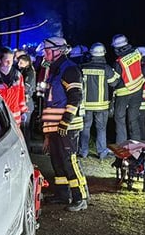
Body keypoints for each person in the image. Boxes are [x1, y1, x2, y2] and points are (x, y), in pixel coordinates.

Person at [39, 36, 88, 212]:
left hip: (66, 126)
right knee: (57, 160)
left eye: (47, 51)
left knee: (69, 160)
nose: (45, 54)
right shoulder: (55, 69)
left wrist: (66, 121)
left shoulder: (69, 69)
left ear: (57, 51)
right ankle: (62, 194)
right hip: (54, 125)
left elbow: (75, 97)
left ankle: (80, 197)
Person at [78, 42, 118, 159]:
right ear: (103, 54)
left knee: (85, 128)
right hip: (101, 106)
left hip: (86, 105)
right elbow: (114, 83)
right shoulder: (106, 68)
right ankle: (102, 152)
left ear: (91, 54)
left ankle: (83, 151)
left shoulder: (83, 67)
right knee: (101, 129)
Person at [110, 34, 145, 143]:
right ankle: (136, 144)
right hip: (138, 90)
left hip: (123, 93)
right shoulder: (137, 53)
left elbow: (114, 82)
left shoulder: (119, 62)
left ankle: (121, 145)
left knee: (119, 118)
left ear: (118, 48)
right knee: (133, 119)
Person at [0, 47, 27, 127]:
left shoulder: (18, 76)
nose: (9, 63)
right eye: (6, 61)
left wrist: (23, 111)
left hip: (15, 119)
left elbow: (21, 96)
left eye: (11, 60)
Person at [15, 51, 37, 140]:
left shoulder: (29, 72)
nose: (18, 64)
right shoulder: (23, 70)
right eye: (18, 62)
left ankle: (26, 146)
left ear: (27, 62)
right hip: (23, 101)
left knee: (25, 128)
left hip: (26, 102)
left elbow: (25, 88)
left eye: (21, 62)